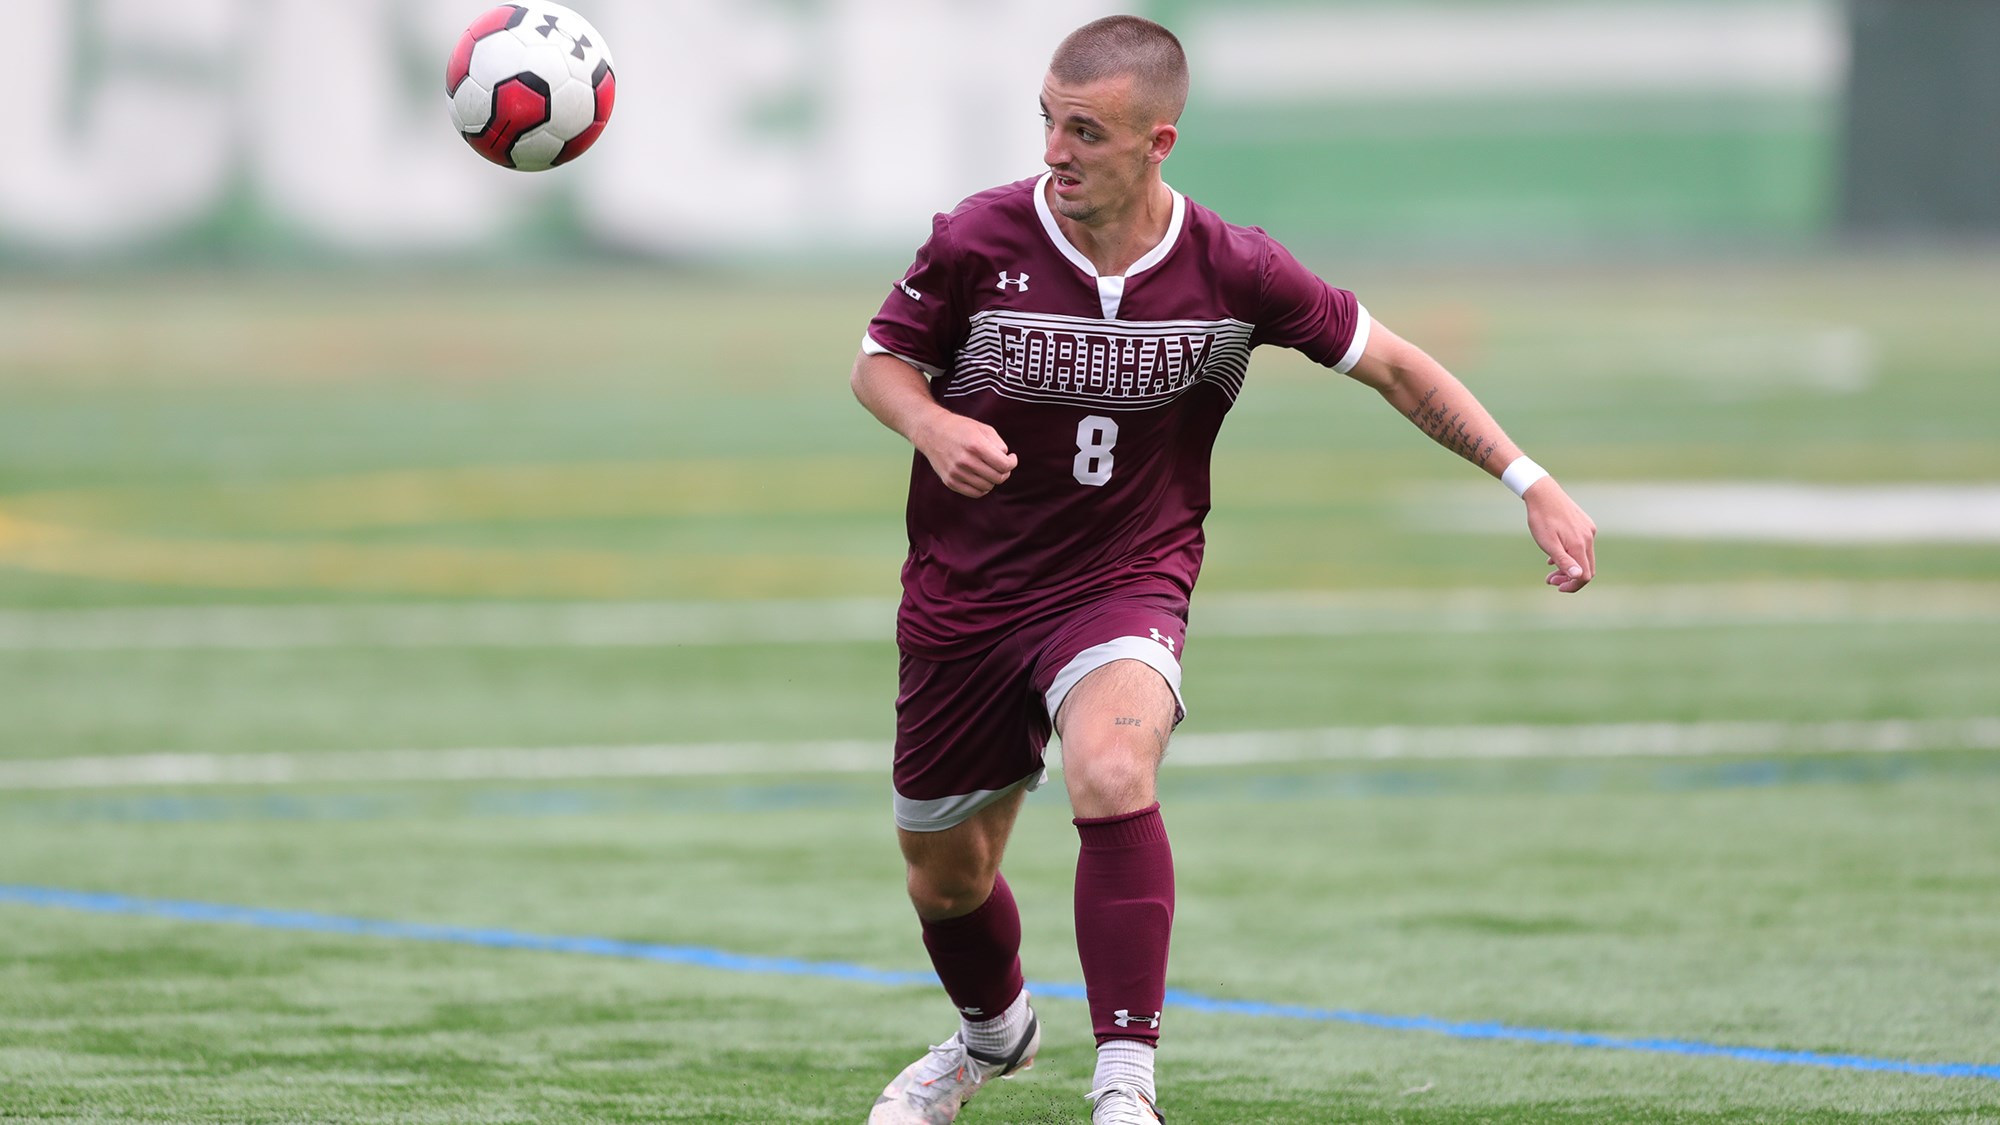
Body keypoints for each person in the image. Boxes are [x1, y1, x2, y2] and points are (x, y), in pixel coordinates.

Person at [849, 16, 1597, 1124]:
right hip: (967, 593)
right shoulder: (977, 237)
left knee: (1112, 770)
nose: (1055, 150)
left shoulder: (1230, 265)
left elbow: (1390, 364)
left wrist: (1526, 479)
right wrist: (928, 426)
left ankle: (1125, 1087)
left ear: (1158, 142)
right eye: (1047, 122)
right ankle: (991, 1037)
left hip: (1123, 579)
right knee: (943, 876)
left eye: (1084, 131)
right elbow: (879, 367)